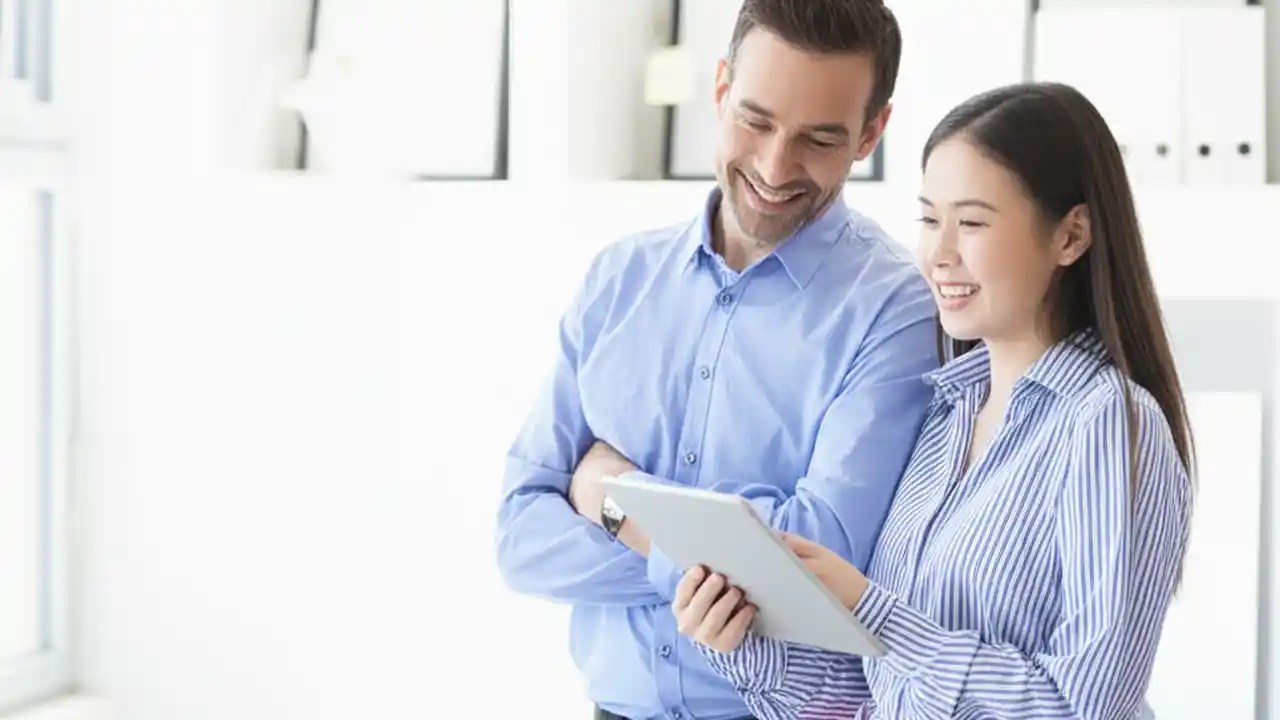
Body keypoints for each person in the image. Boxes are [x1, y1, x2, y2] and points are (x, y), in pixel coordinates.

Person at [673, 81, 1196, 720]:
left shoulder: (1110, 425)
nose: (939, 254)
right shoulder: (946, 417)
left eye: (971, 223)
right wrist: (747, 639)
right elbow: (876, 699)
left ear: (1071, 236)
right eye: (928, 219)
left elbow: (1085, 707)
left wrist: (871, 610)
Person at [494, 2, 941, 719]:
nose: (773, 167)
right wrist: (729, 566)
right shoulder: (619, 281)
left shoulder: (895, 312)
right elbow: (521, 537)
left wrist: (613, 500)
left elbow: (817, 563)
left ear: (870, 134)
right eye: (756, 121)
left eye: (818, 139)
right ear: (722, 85)